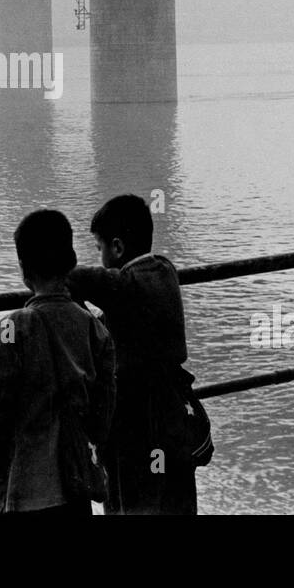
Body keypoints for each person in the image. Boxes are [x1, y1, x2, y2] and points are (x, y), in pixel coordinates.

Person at [0, 209, 117, 515]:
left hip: (24, 487)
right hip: (74, 482)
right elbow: (104, 406)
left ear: (23, 269)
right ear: (70, 262)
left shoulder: (11, 329)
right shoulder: (93, 327)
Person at [68, 194, 198, 514]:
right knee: (175, 498)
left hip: (136, 421)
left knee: (133, 500)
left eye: (99, 248)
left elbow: (69, 278)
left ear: (117, 248)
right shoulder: (165, 271)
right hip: (173, 414)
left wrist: (82, 317)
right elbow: (131, 322)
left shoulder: (124, 284)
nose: (98, 256)